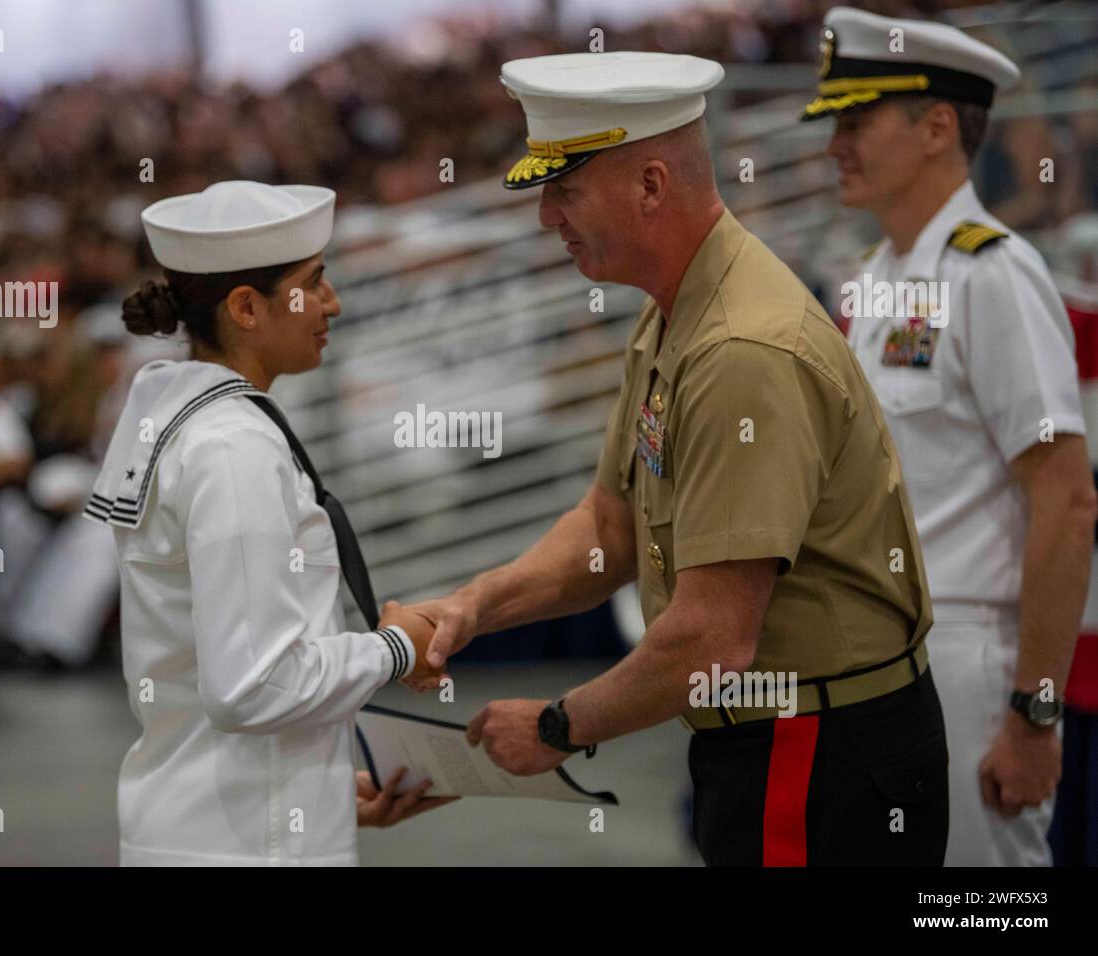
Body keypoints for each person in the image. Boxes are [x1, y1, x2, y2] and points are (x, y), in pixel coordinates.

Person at [410, 51, 947, 866]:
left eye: (565, 187)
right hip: (769, 739)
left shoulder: (740, 347)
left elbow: (713, 640)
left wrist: (557, 726)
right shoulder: (676, 312)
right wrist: (474, 607)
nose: (547, 214)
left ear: (652, 186)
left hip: (815, 746)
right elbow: (609, 526)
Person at [84, 180, 449, 865]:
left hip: (217, 821)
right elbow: (253, 684)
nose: (332, 301)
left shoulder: (183, 412)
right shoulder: (231, 446)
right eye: (313, 283)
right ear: (247, 307)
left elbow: (217, 665)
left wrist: (322, 795)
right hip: (247, 844)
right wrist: (395, 647)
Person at [806, 7, 1096, 866]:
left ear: (937, 128)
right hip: (872, 659)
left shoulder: (995, 273)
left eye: (856, 122)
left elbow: (1068, 499)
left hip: (965, 658)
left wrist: (1035, 713)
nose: (834, 146)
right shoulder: (877, 283)